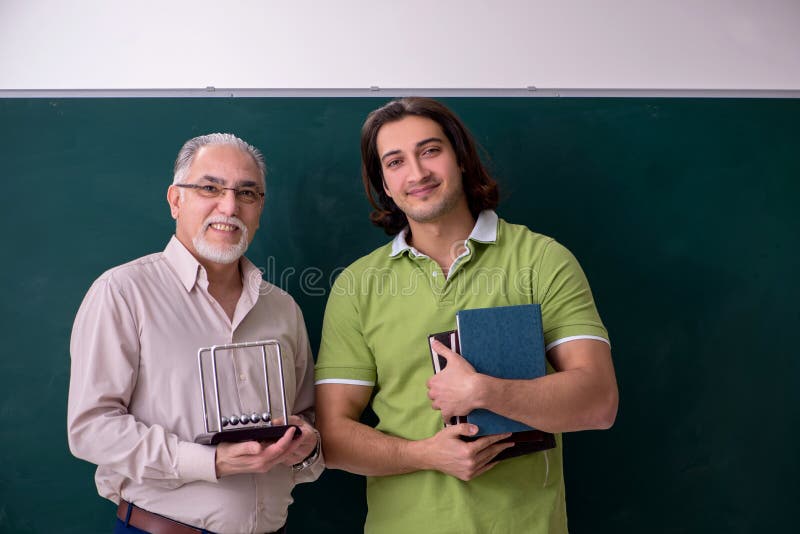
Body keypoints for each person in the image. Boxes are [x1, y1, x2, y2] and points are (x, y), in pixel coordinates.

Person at [314, 98, 618, 533]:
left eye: (430, 151)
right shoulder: (357, 285)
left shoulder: (542, 260)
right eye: (395, 161)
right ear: (383, 181)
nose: (417, 174)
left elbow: (599, 403)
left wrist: (483, 390)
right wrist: (425, 454)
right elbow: (333, 437)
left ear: (460, 158)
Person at [68, 133, 323, 534]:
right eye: (209, 187)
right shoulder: (123, 292)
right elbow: (92, 428)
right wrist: (211, 463)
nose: (229, 206)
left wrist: (306, 448)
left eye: (248, 193)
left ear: (259, 208)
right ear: (176, 200)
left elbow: (308, 417)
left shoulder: (283, 307)